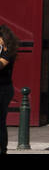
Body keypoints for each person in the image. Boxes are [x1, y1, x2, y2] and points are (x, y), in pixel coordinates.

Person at [0, 26, 16, 155]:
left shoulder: (7, 51)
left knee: (0, 121)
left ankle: (2, 150)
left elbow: (1, 64)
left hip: (3, 89)